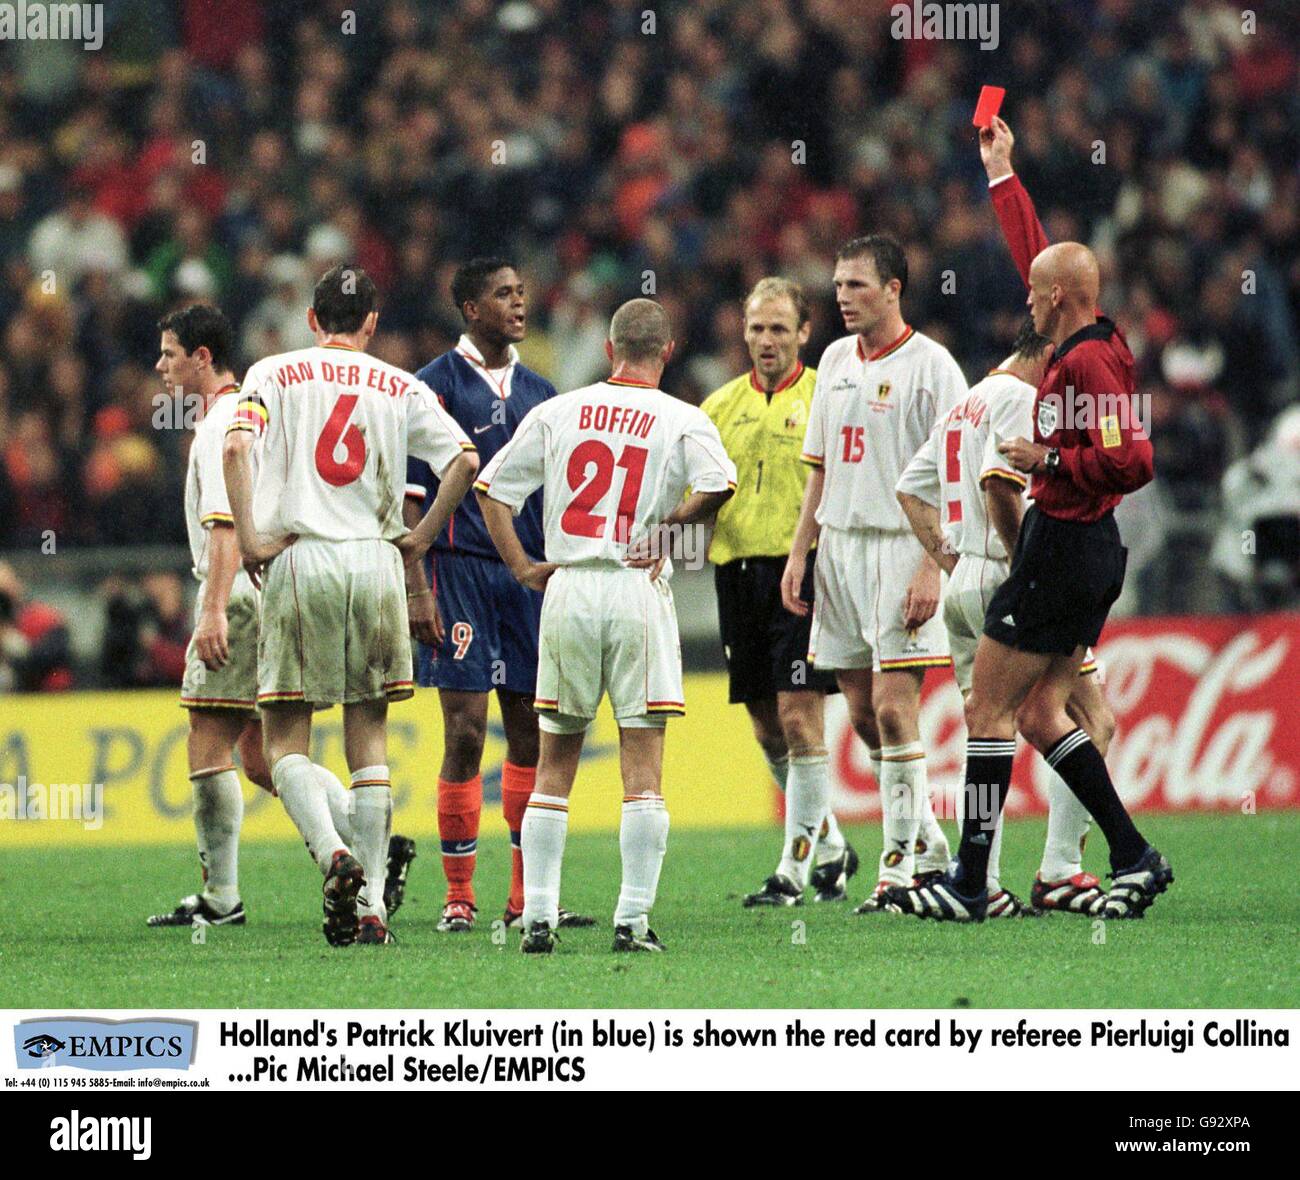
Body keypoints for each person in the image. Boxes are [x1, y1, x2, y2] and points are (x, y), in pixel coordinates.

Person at [887, 117, 1169, 923]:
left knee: (988, 710)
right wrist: (1003, 176)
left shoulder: (1087, 364)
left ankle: (971, 882)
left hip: (1062, 544)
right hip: (1081, 547)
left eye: (1037, 291)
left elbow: (1133, 459)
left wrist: (1049, 462)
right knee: (1046, 713)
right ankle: (1133, 855)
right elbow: (1042, 261)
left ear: (1058, 300)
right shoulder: (1085, 341)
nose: (1026, 296)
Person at [223, 264, 479, 946]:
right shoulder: (400, 384)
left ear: (312, 319)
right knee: (368, 737)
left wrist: (249, 539)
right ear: (371, 322)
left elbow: (237, 445)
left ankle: (332, 852)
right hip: (374, 558)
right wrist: (421, 538)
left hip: (299, 555)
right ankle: (372, 909)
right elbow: (465, 460)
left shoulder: (273, 372)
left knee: (285, 738)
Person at [474, 299, 736, 953]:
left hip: (567, 586)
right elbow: (720, 484)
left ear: (610, 347)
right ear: (668, 350)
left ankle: (537, 917)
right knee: (641, 765)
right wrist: (671, 528)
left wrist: (522, 567)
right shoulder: (681, 417)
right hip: (634, 587)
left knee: (554, 762)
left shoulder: (559, 411)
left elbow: (491, 491)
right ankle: (632, 921)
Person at [896, 320, 1116, 917]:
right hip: (1007, 579)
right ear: (1047, 355)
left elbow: (910, 490)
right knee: (1092, 719)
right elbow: (1000, 486)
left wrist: (951, 560)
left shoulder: (967, 402)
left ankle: (982, 880)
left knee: (986, 727)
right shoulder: (1021, 397)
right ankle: (1060, 870)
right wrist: (1029, 570)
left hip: (965, 584)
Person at [403, 258, 592, 934]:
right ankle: (458, 895)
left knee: (529, 732)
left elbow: (559, 491)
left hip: (527, 577)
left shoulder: (544, 393)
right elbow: (411, 498)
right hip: (457, 571)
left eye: (521, 292)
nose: (518, 303)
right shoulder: (431, 386)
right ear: (470, 308)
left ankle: (523, 898)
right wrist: (416, 587)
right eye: (503, 294)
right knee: (463, 731)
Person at [781, 236, 968, 913]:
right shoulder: (833, 359)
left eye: (857, 285)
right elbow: (820, 468)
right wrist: (801, 553)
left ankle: (897, 873)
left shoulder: (933, 367)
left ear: (894, 289)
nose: (843, 297)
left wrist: (931, 566)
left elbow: (954, 477)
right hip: (839, 548)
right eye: (838, 285)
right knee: (861, 714)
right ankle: (931, 844)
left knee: (894, 708)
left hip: (901, 547)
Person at [699, 276, 857, 906]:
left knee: (799, 716)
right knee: (768, 727)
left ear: (804, 333)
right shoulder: (717, 407)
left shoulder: (827, 397)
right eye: (757, 328)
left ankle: (792, 872)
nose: (767, 340)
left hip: (803, 574)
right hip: (737, 575)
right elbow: (697, 491)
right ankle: (833, 844)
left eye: (779, 329)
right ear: (744, 332)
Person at [147, 304, 278, 929]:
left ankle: (222, 898)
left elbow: (224, 530)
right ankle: (365, 847)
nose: (160, 366)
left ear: (202, 358)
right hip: (269, 590)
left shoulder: (220, 424)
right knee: (263, 757)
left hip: (237, 595)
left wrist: (214, 611)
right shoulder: (254, 412)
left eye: (169, 353)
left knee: (205, 741)